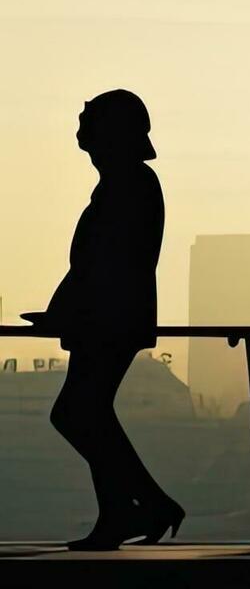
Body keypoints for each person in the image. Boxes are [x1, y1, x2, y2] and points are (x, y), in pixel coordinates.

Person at [24, 90, 183, 550]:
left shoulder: (127, 185)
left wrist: (67, 311)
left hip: (109, 319)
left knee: (78, 413)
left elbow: (104, 264)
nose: (80, 132)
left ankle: (150, 504)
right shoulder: (126, 183)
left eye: (87, 123)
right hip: (106, 317)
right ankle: (119, 513)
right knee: (88, 412)